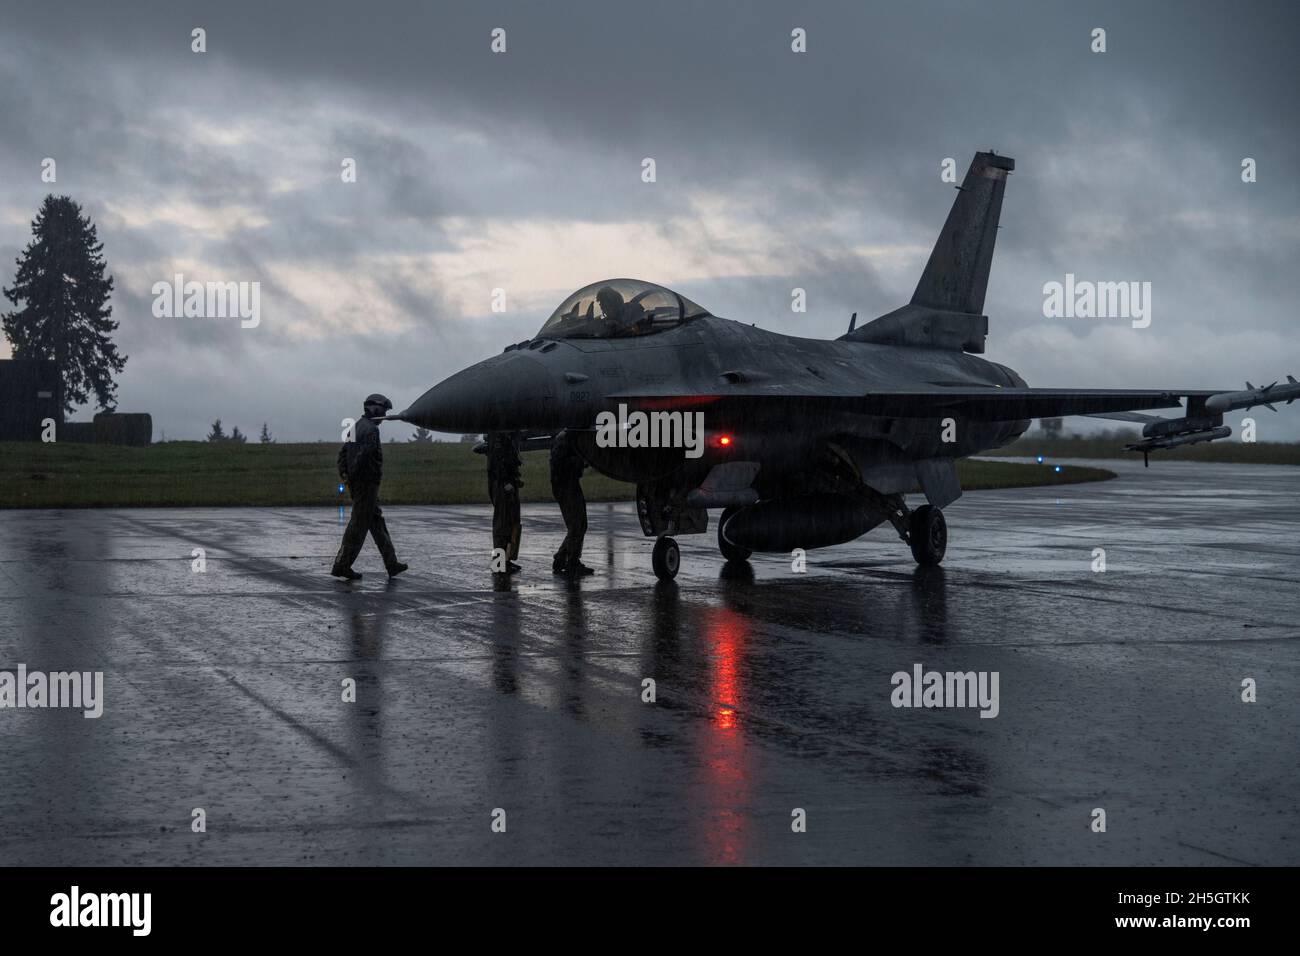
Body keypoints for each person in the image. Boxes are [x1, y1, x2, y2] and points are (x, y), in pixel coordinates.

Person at [331, 394, 408, 580]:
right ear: (376, 408)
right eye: (384, 410)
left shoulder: (356, 426)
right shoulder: (372, 430)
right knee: (358, 527)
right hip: (366, 486)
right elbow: (364, 455)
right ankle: (342, 565)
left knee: (377, 524)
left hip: (359, 485)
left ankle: (392, 564)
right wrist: (357, 477)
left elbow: (343, 454)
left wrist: (347, 476)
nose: (384, 414)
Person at [550, 429, 592, 575]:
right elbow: (562, 464)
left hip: (567, 484)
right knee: (577, 526)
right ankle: (572, 562)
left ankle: (562, 557)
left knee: (578, 525)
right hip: (567, 485)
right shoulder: (568, 438)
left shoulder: (565, 436)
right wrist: (581, 461)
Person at [487, 431, 522, 574]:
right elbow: (497, 465)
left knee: (510, 523)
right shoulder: (498, 439)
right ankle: (498, 563)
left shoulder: (506, 437)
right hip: (502, 486)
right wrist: (506, 481)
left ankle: (506, 561)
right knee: (502, 525)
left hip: (509, 485)